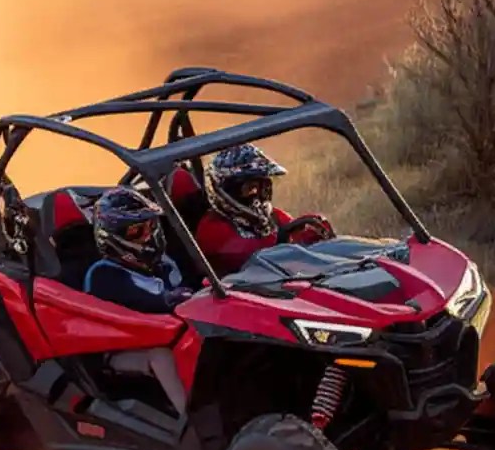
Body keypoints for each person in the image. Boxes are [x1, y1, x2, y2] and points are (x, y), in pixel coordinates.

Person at [82, 186, 192, 417]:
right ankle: (190, 421)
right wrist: (171, 299)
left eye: (151, 226)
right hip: (119, 351)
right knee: (161, 356)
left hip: (171, 335)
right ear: (111, 236)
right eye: (137, 231)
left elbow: (190, 287)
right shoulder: (103, 273)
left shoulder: (164, 263)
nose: (148, 236)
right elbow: (141, 301)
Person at [194, 143, 333, 276]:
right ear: (227, 190)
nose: (257, 196)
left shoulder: (274, 216)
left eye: (263, 187)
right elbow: (244, 257)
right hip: (239, 293)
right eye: (250, 188)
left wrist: (313, 230)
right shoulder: (212, 227)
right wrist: (284, 241)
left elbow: (293, 232)